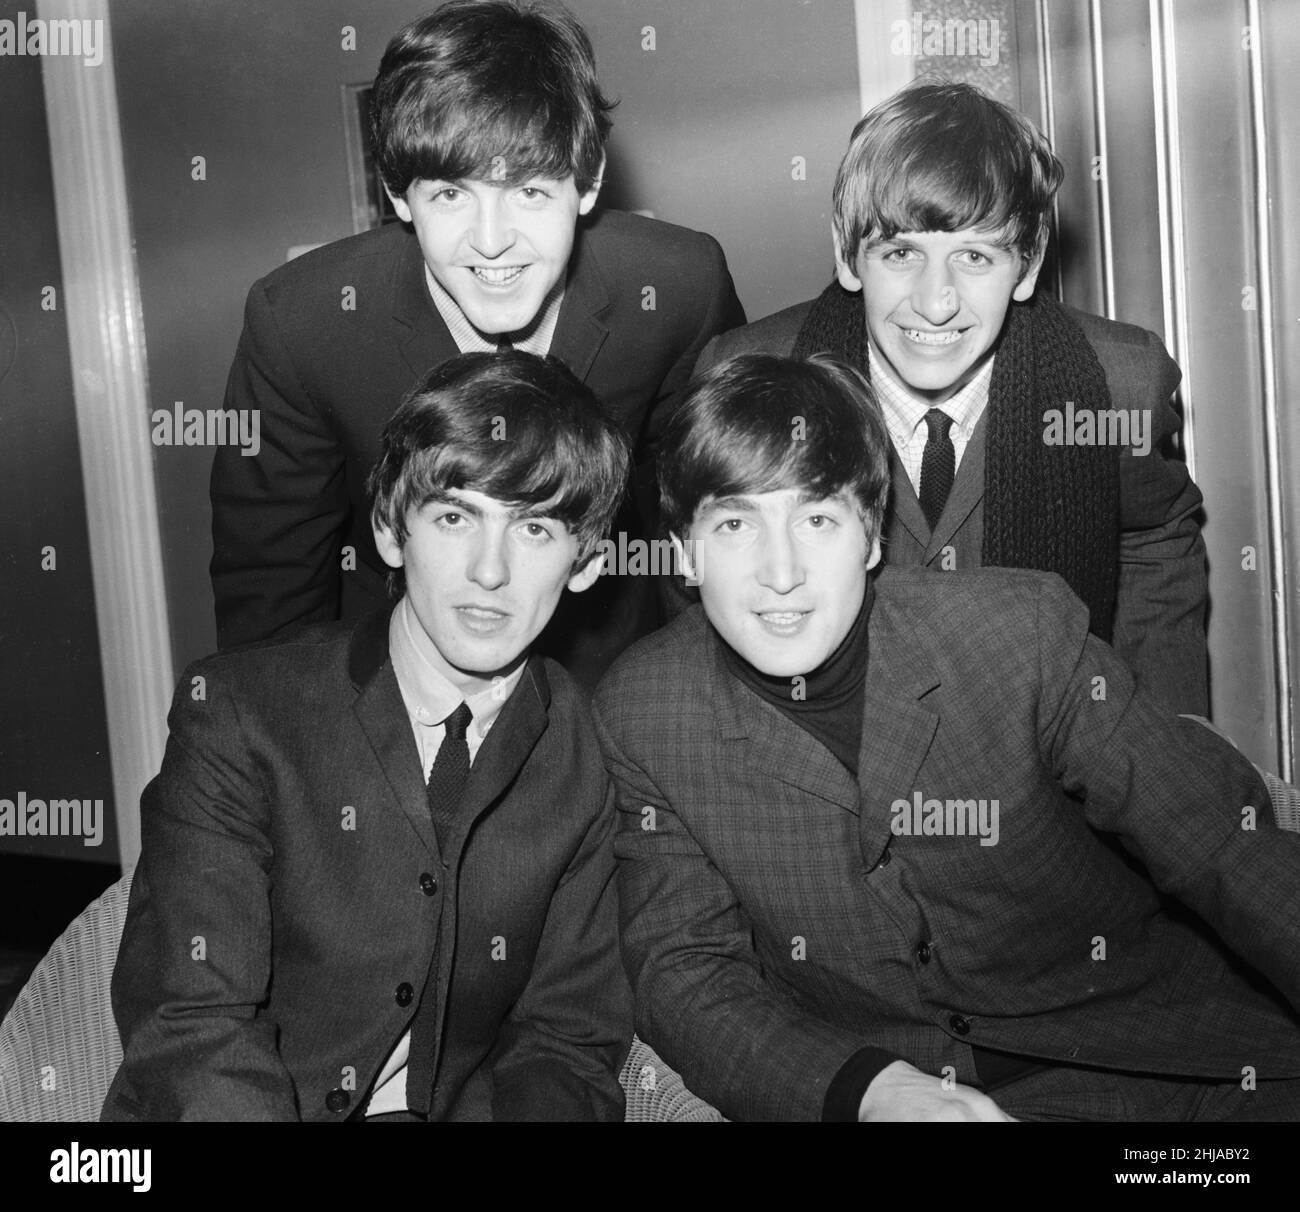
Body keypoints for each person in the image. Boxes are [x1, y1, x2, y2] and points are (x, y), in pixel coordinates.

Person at [594, 353, 1300, 1122]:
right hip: (904, 1092)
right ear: (688, 554)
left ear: (869, 538)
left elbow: (1219, 844)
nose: (782, 572)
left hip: (1168, 1071)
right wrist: (868, 1090)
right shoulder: (643, 712)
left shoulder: (1016, 634)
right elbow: (687, 973)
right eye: (735, 524)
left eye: (818, 519)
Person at [106, 352, 632, 1121]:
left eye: (536, 527)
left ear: (583, 562)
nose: (490, 571)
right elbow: (194, 1022)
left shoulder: (586, 749)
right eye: (455, 517)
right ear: (390, 530)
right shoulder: (240, 711)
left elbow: (566, 1041)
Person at [211, 0, 744, 689]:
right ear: (399, 196)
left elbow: (710, 509)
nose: (492, 242)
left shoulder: (678, 286)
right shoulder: (301, 323)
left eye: (527, 191)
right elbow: (269, 588)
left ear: (587, 183)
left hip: (610, 664)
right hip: (392, 680)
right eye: (451, 195)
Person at [695, 81, 1206, 714]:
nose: (936, 304)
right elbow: (706, 577)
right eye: (902, 252)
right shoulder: (743, 377)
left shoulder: (1118, 383)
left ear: (1029, 261)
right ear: (848, 255)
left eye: (975, 256)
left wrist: (1167, 735)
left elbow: (1153, 538)